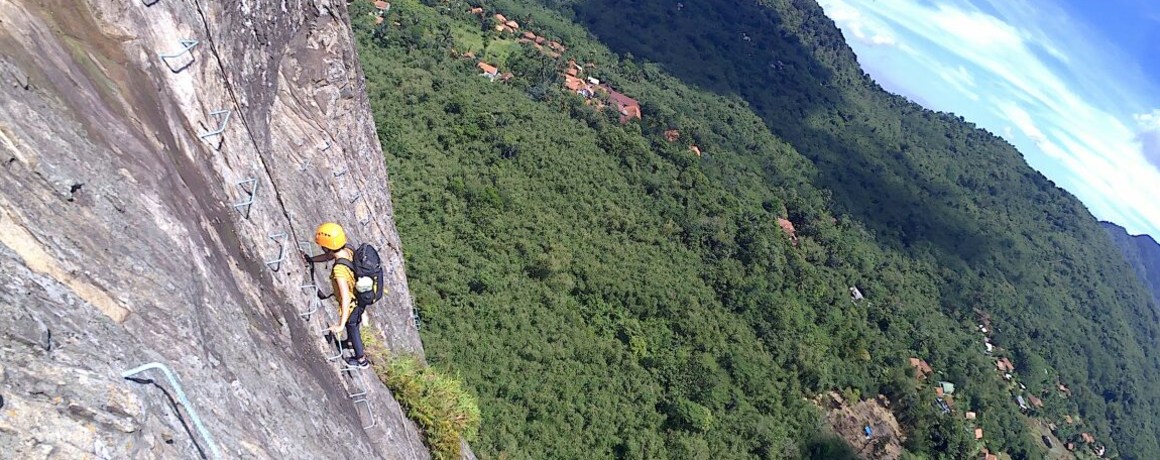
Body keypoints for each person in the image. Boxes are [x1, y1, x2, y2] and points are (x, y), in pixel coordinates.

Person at [303, 222, 370, 369]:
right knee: (351, 324)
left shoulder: (340, 270)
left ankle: (361, 360)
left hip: (352, 304)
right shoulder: (347, 249)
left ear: (327, 247)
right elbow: (329, 256)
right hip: (359, 298)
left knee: (352, 326)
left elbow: (345, 297)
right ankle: (349, 342)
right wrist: (312, 259)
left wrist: (340, 324)